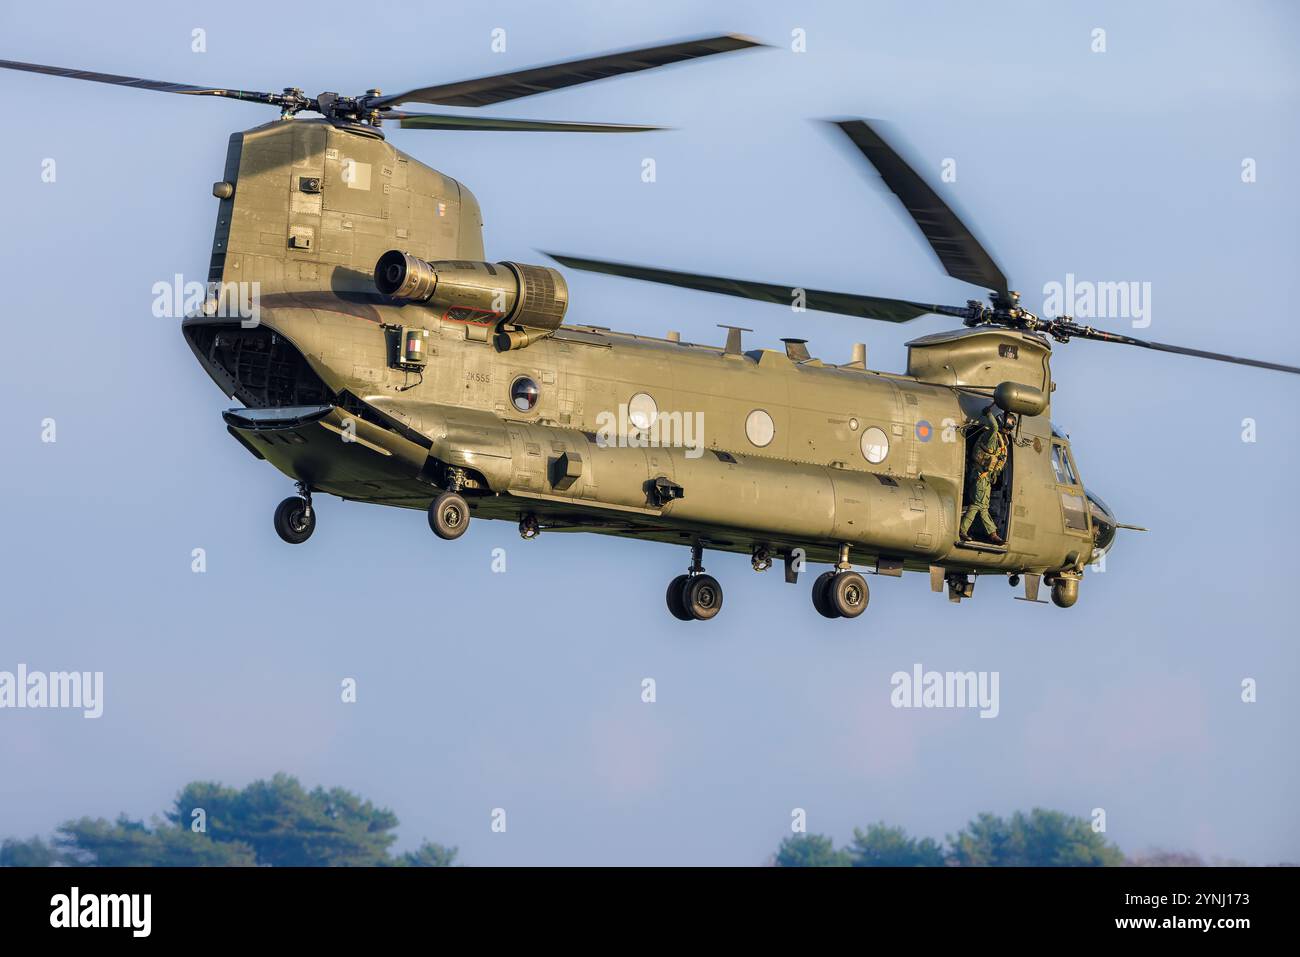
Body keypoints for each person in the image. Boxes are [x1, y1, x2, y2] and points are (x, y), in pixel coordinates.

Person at [959, 405, 1017, 544]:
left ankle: (992, 534)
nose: (1007, 431)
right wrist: (988, 413)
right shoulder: (991, 436)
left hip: (987, 478)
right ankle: (963, 529)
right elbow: (994, 427)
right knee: (977, 505)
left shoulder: (1003, 441)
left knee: (984, 507)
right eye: (1006, 427)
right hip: (980, 476)